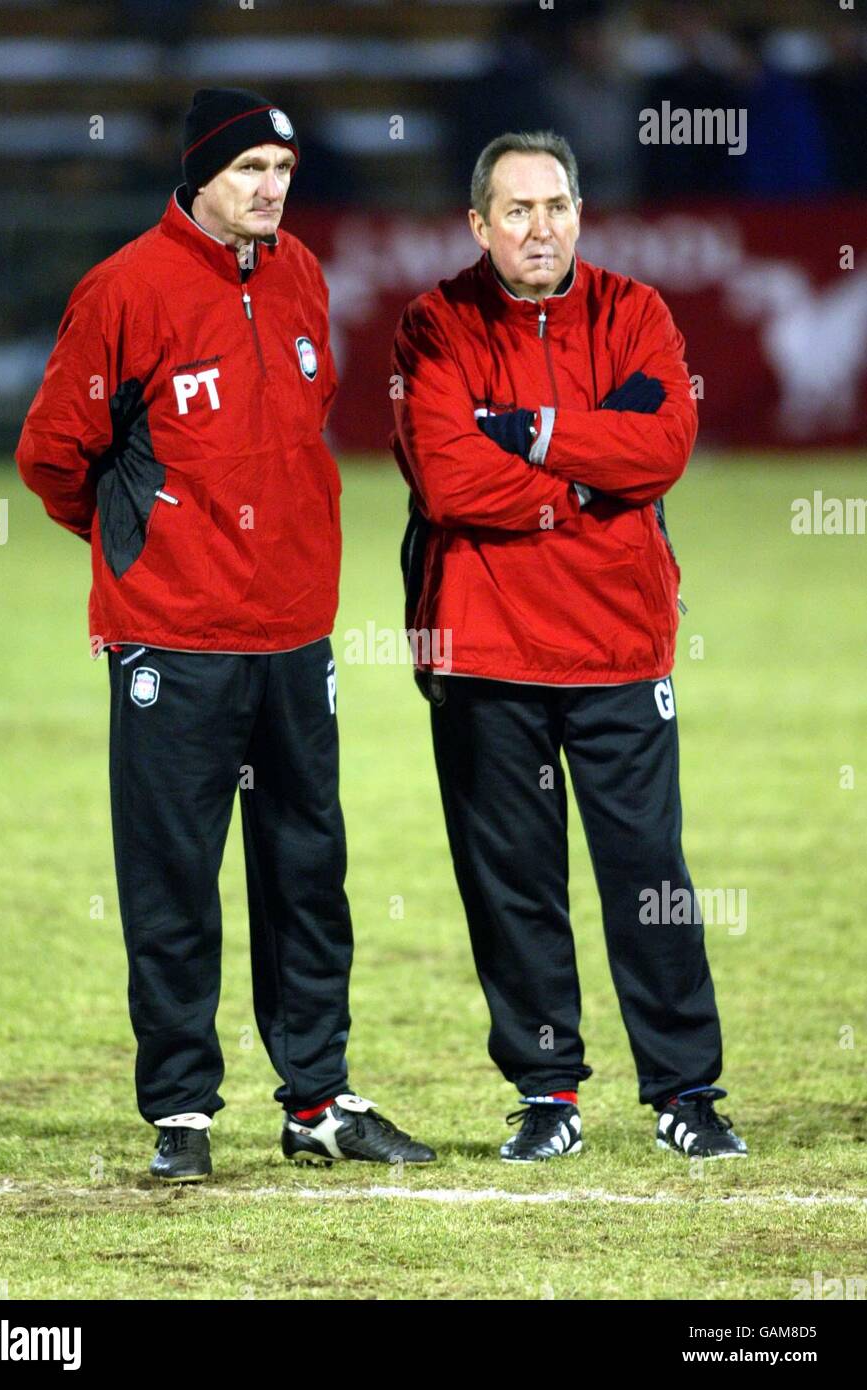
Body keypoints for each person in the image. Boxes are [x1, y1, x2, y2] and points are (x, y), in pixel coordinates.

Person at [17, 87, 435, 1182]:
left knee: (308, 869)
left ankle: (317, 1099)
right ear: (198, 173)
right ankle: (183, 1112)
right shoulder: (121, 290)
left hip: (293, 631)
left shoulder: (298, 273)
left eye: (284, 173)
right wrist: (145, 545)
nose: (272, 191)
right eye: (250, 171)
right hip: (175, 637)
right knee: (171, 877)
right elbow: (55, 454)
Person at [391, 130, 746, 1162]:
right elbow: (451, 479)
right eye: (516, 209)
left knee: (651, 875)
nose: (538, 227)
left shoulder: (636, 311)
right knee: (513, 882)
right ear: (478, 224)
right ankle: (547, 1092)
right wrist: (596, 465)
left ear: (579, 215)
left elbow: (664, 445)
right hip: (485, 646)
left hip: (619, 645)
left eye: (555, 206)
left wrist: (532, 432)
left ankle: (685, 1089)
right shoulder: (434, 324)